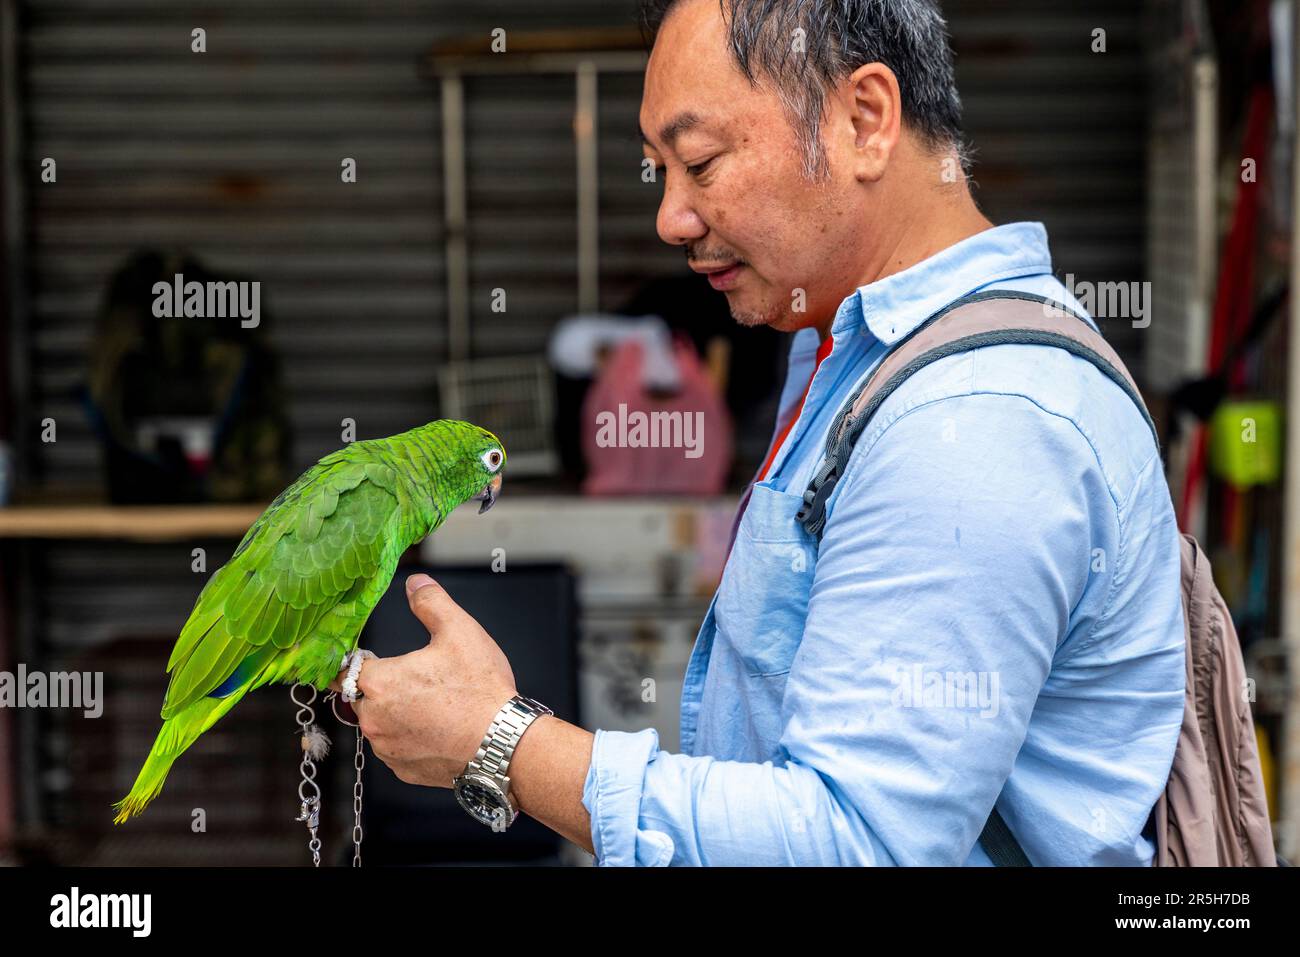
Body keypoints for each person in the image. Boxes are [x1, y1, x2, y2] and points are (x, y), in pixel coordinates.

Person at [334, 0, 1186, 865]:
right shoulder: (848, 352)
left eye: (699, 161)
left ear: (864, 121)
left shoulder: (972, 423)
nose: (671, 217)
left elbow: (855, 843)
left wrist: (502, 744)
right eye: (658, 169)